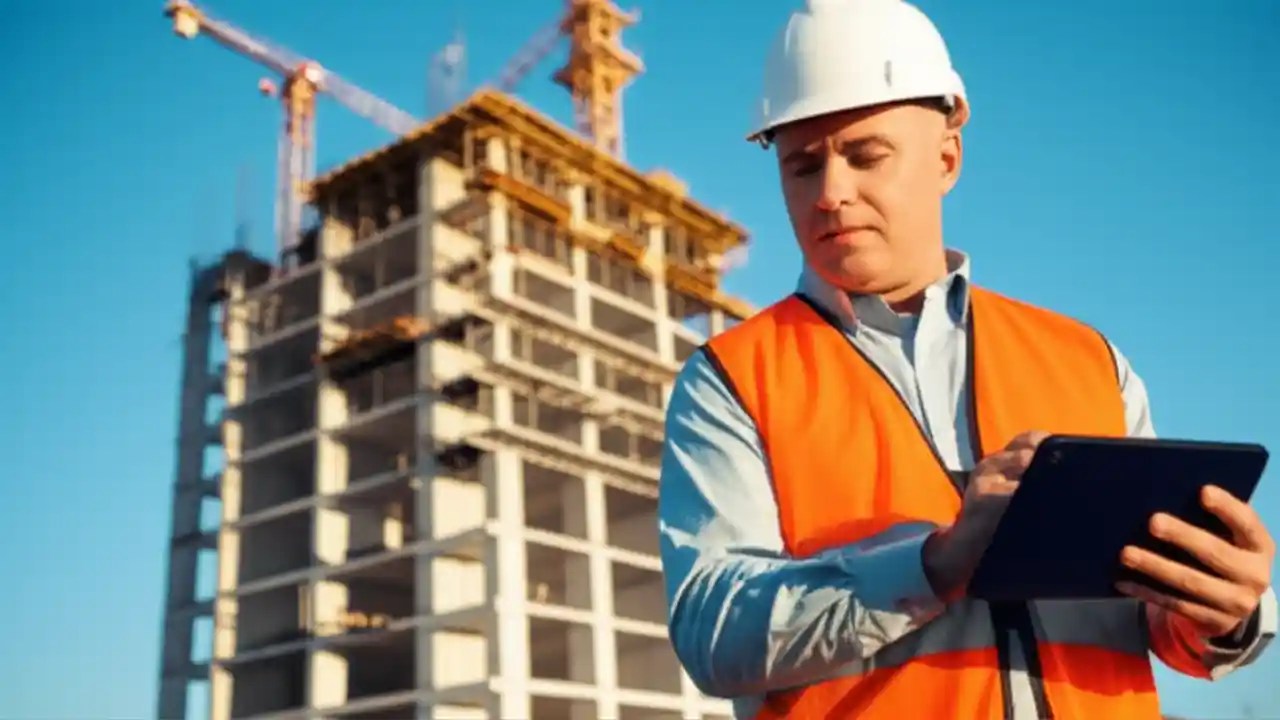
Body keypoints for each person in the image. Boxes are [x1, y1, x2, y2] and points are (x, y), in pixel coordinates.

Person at [657, 1, 1277, 718]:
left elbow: (1151, 615)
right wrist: (935, 564)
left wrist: (1224, 615)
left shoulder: (1088, 361)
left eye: (866, 155)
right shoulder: (733, 379)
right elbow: (712, 632)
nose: (831, 193)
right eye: (803, 166)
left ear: (947, 157)